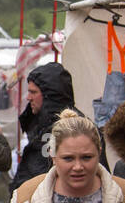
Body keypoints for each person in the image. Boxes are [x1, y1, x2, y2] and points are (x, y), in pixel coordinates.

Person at [12, 62, 89, 194]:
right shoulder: (40, 125)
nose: (28, 98)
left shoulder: (79, 129)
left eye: (33, 92)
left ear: (50, 95)